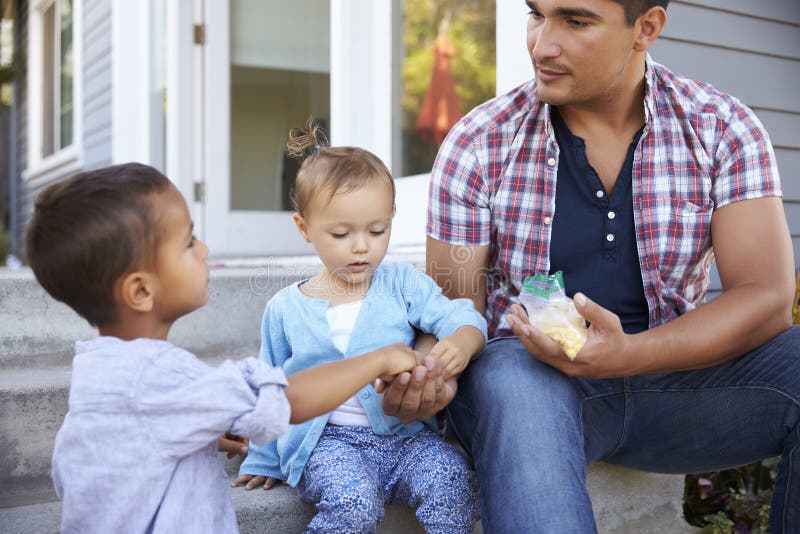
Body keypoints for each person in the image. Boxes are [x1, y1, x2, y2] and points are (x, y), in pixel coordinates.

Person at [383, 0, 799, 532]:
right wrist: (430, 375)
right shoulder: (478, 143)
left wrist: (628, 354)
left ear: (644, 28)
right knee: (512, 373)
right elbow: (451, 312)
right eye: (536, 14)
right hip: (529, 389)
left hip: (673, 387)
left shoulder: (721, 128)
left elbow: (766, 297)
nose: (541, 43)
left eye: (575, 21)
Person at [25, 163, 420, 534]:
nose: (205, 250)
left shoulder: (98, 372)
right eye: (188, 242)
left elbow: (103, 455)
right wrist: (377, 359)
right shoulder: (161, 375)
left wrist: (203, 427)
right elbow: (289, 398)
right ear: (141, 290)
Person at [232, 122, 486, 533]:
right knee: (354, 502)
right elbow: (271, 386)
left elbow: (460, 314)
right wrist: (263, 459)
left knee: (452, 476)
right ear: (304, 228)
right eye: (341, 233)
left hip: (407, 440)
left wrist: (463, 339)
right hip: (329, 445)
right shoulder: (285, 309)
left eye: (377, 230)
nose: (361, 246)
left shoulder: (401, 284)